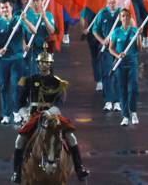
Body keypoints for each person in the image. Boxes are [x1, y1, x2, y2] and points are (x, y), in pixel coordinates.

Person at [11, 46, 89, 183]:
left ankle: (79, 168)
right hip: (33, 116)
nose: (43, 65)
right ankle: (16, 172)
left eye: (46, 62)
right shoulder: (29, 80)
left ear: (50, 64)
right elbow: (20, 102)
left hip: (52, 116)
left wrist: (48, 112)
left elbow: (59, 103)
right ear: (37, 63)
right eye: (41, 62)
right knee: (19, 140)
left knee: (71, 137)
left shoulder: (58, 82)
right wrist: (24, 114)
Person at [0, 0, 25, 124]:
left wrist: (24, 45)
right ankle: (5, 114)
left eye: (6, 7)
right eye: (2, 8)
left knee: (15, 86)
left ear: (11, 8)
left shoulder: (19, 21)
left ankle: (16, 112)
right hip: (3, 61)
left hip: (17, 59)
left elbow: (30, 32)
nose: (4, 10)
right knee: (3, 87)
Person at [109, 9, 141, 126]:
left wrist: (138, 37)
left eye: (127, 16)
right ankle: (125, 116)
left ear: (130, 17)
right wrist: (118, 55)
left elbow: (140, 48)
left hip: (132, 63)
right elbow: (111, 48)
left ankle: (133, 112)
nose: (125, 18)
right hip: (120, 65)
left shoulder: (135, 31)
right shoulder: (116, 32)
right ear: (119, 18)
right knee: (122, 90)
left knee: (133, 89)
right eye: (123, 16)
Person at [92, 0, 121, 112]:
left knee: (118, 74)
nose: (111, 1)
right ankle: (109, 100)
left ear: (118, 0)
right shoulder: (102, 13)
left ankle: (118, 102)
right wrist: (102, 40)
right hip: (106, 50)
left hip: (119, 49)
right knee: (107, 73)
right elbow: (94, 30)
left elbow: (130, 27)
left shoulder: (122, 14)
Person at [22, 0, 56, 77]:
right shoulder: (26, 15)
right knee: (33, 74)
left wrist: (45, 19)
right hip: (31, 49)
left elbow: (51, 31)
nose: (35, 3)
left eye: (37, 0)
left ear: (42, 1)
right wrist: (23, 45)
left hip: (44, 50)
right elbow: (22, 33)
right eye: (33, 1)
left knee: (45, 75)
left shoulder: (48, 15)